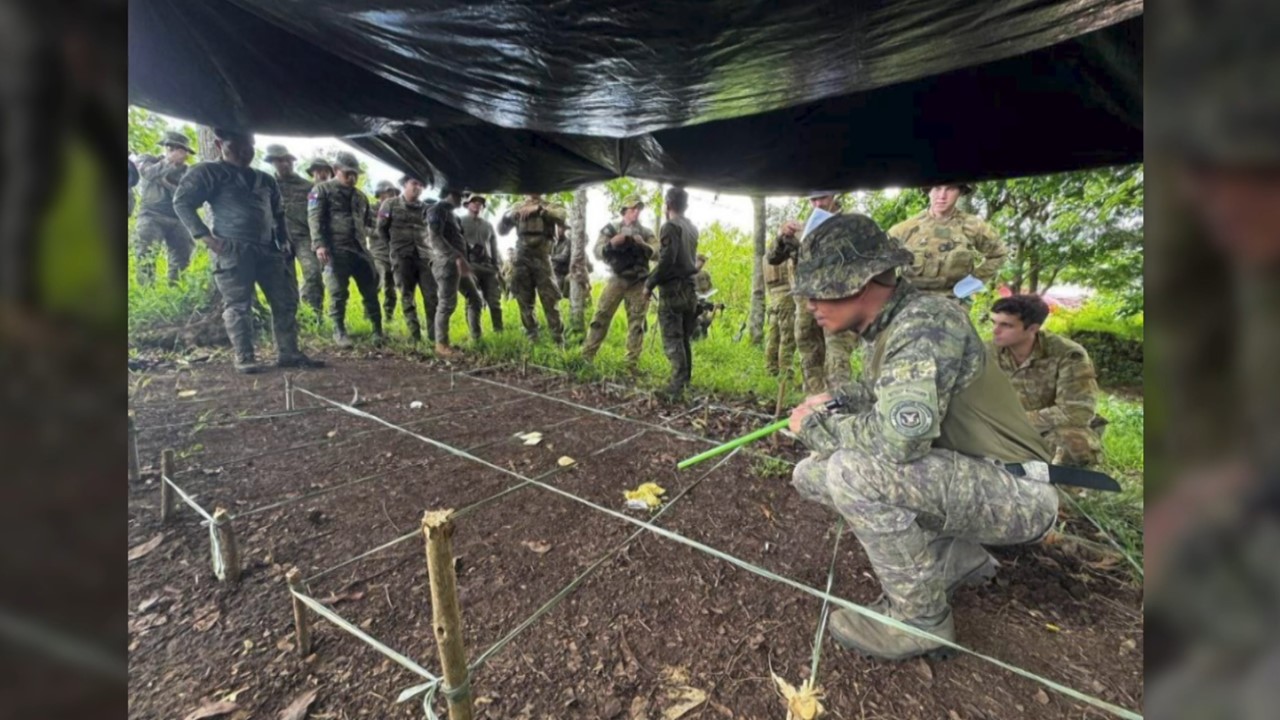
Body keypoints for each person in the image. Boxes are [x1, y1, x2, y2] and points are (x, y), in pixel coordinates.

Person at [786, 213, 1056, 660]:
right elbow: (886, 395)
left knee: (854, 473)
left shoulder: (925, 325)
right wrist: (837, 399)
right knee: (812, 474)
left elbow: (900, 442)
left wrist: (817, 426)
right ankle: (956, 555)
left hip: (1020, 489)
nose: (811, 302)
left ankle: (920, 621)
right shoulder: (893, 324)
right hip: (980, 476)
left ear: (863, 281)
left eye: (821, 289)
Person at [172, 128, 323, 373]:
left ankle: (289, 352)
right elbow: (182, 202)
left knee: (285, 301)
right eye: (237, 147)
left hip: (268, 249)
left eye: (249, 147)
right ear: (220, 145)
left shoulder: (265, 179)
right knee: (239, 305)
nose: (244, 153)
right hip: (232, 248)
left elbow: (278, 213)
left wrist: (283, 240)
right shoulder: (208, 172)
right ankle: (245, 356)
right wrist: (204, 236)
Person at [988, 294, 1105, 468]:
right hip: (999, 427)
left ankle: (1064, 491)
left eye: (1006, 325)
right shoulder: (987, 352)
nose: (995, 331)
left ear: (1032, 328)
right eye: (994, 322)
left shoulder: (1067, 354)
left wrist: (1014, 421)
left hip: (1047, 429)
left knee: (1076, 444)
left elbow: (1076, 412)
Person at [768, 191, 859, 392]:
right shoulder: (801, 228)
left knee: (837, 353)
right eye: (813, 199)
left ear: (834, 195)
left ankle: (837, 404)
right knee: (808, 350)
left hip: (838, 301)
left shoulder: (853, 223)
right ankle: (813, 402)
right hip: (806, 303)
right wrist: (782, 237)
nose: (818, 204)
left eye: (823, 198)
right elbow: (773, 258)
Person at [308, 151, 383, 348]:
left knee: (370, 290)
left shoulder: (360, 197)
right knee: (338, 292)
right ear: (336, 170)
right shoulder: (321, 190)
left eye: (355, 174)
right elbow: (314, 219)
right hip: (335, 249)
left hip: (359, 250)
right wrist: (319, 245)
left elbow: (367, 223)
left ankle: (377, 330)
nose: (352, 178)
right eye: (348, 173)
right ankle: (339, 330)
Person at [888, 183, 1007, 300]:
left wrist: (972, 282)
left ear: (960, 192)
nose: (942, 196)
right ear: (929, 190)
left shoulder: (973, 226)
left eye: (950, 189)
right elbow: (879, 261)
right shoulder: (905, 229)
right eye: (937, 188)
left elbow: (999, 254)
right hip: (910, 301)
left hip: (953, 301)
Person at [582, 194, 657, 371]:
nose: (636, 213)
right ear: (624, 211)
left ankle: (631, 364)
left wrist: (643, 245)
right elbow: (597, 251)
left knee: (637, 323)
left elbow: (657, 252)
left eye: (638, 209)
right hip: (617, 279)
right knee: (601, 316)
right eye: (632, 209)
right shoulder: (611, 229)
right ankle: (586, 356)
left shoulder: (646, 232)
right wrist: (612, 244)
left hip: (638, 281)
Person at [646, 187, 699, 400]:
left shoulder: (670, 226)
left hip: (673, 290)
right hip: (690, 289)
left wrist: (649, 283)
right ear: (685, 206)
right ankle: (685, 381)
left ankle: (676, 387)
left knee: (672, 338)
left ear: (667, 205)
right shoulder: (692, 227)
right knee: (684, 337)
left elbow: (667, 260)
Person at [264, 144, 325, 317]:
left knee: (313, 274)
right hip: (279, 240)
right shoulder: (268, 185)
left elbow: (317, 215)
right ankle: (293, 316)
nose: (284, 164)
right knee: (285, 280)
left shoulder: (308, 187)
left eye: (287, 160)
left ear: (292, 161)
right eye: (279, 161)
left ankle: (314, 314)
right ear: (272, 163)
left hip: (304, 238)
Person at [498, 194, 567, 343]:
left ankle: (557, 338)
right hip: (522, 257)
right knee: (524, 299)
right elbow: (501, 230)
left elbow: (563, 216)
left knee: (550, 298)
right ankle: (532, 335)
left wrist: (540, 209)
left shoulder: (550, 205)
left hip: (542, 257)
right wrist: (510, 215)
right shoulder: (517, 207)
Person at [377, 173, 436, 342]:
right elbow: (381, 229)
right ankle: (415, 335)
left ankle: (434, 336)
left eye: (421, 185)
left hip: (424, 256)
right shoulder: (390, 205)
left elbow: (432, 231)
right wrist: (394, 248)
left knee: (432, 296)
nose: (417, 187)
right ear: (405, 184)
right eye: (414, 183)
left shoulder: (426, 208)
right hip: (401, 256)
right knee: (407, 295)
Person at [135, 131, 195, 284]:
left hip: (179, 219)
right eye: (171, 148)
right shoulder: (148, 160)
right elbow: (147, 173)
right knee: (145, 257)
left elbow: (189, 196)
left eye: (180, 149)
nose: (175, 151)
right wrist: (168, 162)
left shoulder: (189, 172)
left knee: (182, 260)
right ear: (166, 148)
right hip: (151, 216)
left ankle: (175, 294)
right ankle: (146, 297)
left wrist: (169, 178)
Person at [426, 187, 480, 357]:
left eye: (465, 195)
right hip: (447, 263)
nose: (462, 198)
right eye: (459, 194)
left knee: (475, 298)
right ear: (448, 193)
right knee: (447, 303)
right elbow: (435, 238)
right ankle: (441, 344)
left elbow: (457, 239)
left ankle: (477, 339)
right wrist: (456, 257)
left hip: (459, 264)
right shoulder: (437, 209)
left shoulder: (454, 216)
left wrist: (471, 250)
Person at [459, 194, 504, 334]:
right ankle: (476, 336)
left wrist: (497, 266)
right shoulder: (460, 222)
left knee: (495, 303)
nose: (477, 204)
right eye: (474, 202)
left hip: (488, 268)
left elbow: (494, 246)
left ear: (483, 207)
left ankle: (499, 333)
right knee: (474, 301)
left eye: (480, 203)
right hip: (469, 266)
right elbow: (455, 242)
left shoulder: (488, 225)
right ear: (467, 205)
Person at [366, 179, 401, 324]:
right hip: (377, 254)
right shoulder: (371, 209)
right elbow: (363, 227)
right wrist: (378, 232)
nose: (391, 195)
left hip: (394, 255)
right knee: (376, 283)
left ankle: (388, 318)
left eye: (393, 192)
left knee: (391, 290)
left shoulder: (398, 211)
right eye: (388, 192)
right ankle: (369, 316)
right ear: (380, 194)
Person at [763, 242, 796, 375]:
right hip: (787, 296)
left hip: (772, 298)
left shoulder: (766, 256)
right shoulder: (786, 255)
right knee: (787, 336)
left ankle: (770, 368)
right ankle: (785, 370)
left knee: (773, 335)